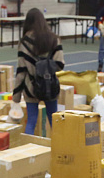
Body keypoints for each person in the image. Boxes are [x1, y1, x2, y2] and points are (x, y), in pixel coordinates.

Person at [12, 8, 65, 136]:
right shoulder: (54, 39)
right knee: (54, 120)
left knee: (31, 121)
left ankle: (29, 147)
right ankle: (60, 146)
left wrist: (16, 96)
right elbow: (60, 64)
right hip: (50, 86)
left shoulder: (24, 43)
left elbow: (21, 71)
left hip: (31, 87)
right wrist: (46, 69)